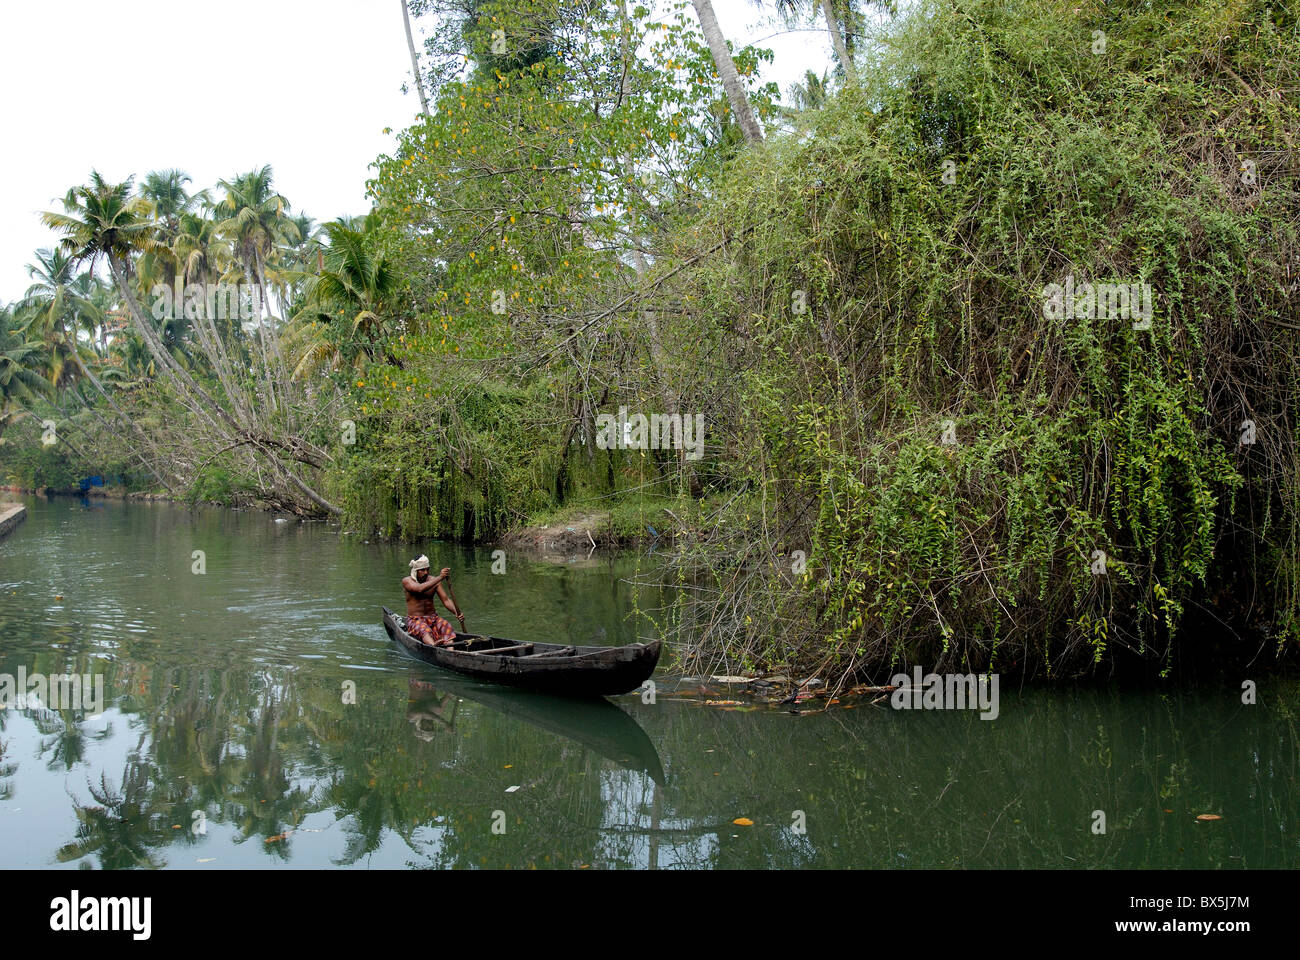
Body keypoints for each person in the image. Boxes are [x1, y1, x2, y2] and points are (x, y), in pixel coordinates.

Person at [402, 555, 466, 646]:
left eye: (427, 569)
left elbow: (446, 600)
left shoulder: (434, 581)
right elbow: (419, 589)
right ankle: (433, 646)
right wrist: (440, 577)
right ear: (416, 570)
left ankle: (450, 650)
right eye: (422, 570)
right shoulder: (407, 581)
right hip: (415, 620)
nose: (426, 572)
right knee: (423, 629)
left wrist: (456, 612)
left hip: (433, 619)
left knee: (446, 625)